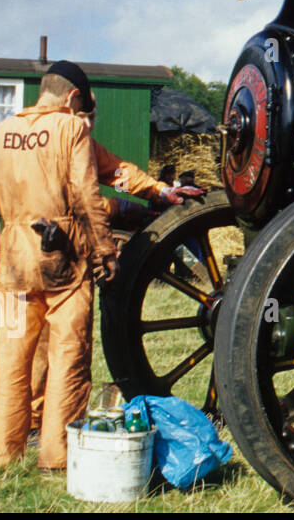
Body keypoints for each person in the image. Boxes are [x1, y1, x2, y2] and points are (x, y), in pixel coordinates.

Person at [0, 61, 117, 472]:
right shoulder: (72, 130)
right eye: (79, 106)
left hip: (12, 262)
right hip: (61, 260)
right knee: (69, 355)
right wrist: (105, 249)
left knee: (12, 360)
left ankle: (3, 456)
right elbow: (86, 193)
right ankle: (56, 459)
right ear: (71, 98)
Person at [25, 102, 205, 438]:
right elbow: (83, 203)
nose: (89, 127)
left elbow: (118, 175)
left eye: (91, 121)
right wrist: (127, 212)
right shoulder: (57, 143)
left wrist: (160, 191)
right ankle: (39, 427)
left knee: (50, 345)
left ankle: (39, 429)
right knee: (54, 344)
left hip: (35, 254)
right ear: (70, 108)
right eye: (86, 119)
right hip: (50, 250)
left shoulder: (68, 143)